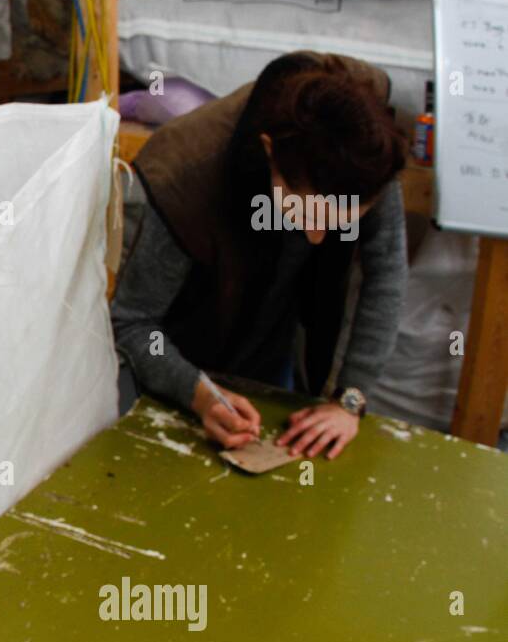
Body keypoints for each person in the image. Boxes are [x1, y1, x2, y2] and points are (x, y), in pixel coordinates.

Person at [112, 51, 409, 460]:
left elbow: (386, 274)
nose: (320, 239)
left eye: (341, 225)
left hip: (269, 344)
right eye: (306, 216)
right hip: (178, 355)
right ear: (269, 152)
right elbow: (133, 325)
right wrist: (199, 394)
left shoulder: (367, 150)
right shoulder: (183, 176)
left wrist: (349, 399)